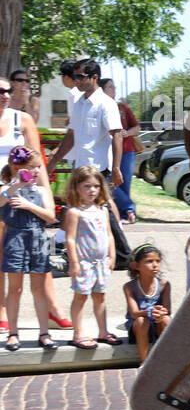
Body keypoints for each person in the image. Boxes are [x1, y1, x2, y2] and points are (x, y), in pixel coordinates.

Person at [1, 71, 73, 333]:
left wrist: (44, 193)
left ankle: (53, 308)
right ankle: (2, 312)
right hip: (2, 193)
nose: (5, 95)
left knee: (37, 251)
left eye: (7, 91)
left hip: (23, 191)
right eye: (0, 91)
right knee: (4, 253)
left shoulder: (23, 119)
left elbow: (37, 160)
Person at [50, 59, 130, 270]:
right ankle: (120, 255)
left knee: (87, 210)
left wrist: (116, 168)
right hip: (81, 167)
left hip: (98, 168)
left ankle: (116, 255)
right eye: (75, 76)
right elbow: (72, 135)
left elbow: (117, 136)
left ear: (94, 78)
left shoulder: (106, 103)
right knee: (94, 211)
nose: (76, 80)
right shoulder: (79, 103)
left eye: (80, 77)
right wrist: (55, 160)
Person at [0, 147, 58, 351]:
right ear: (17, 167)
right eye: (32, 167)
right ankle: (13, 333)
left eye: (39, 167)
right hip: (15, 239)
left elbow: (51, 217)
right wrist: (16, 186)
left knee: (38, 289)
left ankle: (44, 333)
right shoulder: (7, 189)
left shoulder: (42, 191)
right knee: (15, 289)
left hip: (38, 239)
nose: (36, 172)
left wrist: (28, 205)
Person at [63, 166, 119, 350]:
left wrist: (112, 255)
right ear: (77, 187)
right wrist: (74, 263)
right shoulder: (75, 212)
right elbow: (70, 239)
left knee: (100, 296)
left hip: (101, 263)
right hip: (84, 263)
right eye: (87, 186)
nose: (92, 190)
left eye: (95, 186)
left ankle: (103, 331)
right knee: (81, 297)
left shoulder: (102, 210)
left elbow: (109, 234)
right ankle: (78, 333)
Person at [100, 78, 140, 223]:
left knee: (124, 183)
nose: (114, 89)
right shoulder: (99, 106)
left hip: (127, 151)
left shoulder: (122, 107)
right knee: (111, 183)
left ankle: (125, 215)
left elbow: (137, 127)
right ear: (102, 90)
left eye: (114, 86)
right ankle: (129, 208)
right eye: (110, 87)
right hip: (107, 153)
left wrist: (127, 133)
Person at [123, 244, 171, 362]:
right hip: (139, 327)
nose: (155, 265)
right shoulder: (129, 287)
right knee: (142, 321)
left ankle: (167, 359)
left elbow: (168, 310)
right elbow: (134, 313)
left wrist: (161, 312)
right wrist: (150, 312)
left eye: (157, 261)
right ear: (136, 265)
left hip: (157, 323)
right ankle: (145, 362)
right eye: (149, 261)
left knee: (166, 319)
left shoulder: (164, 285)